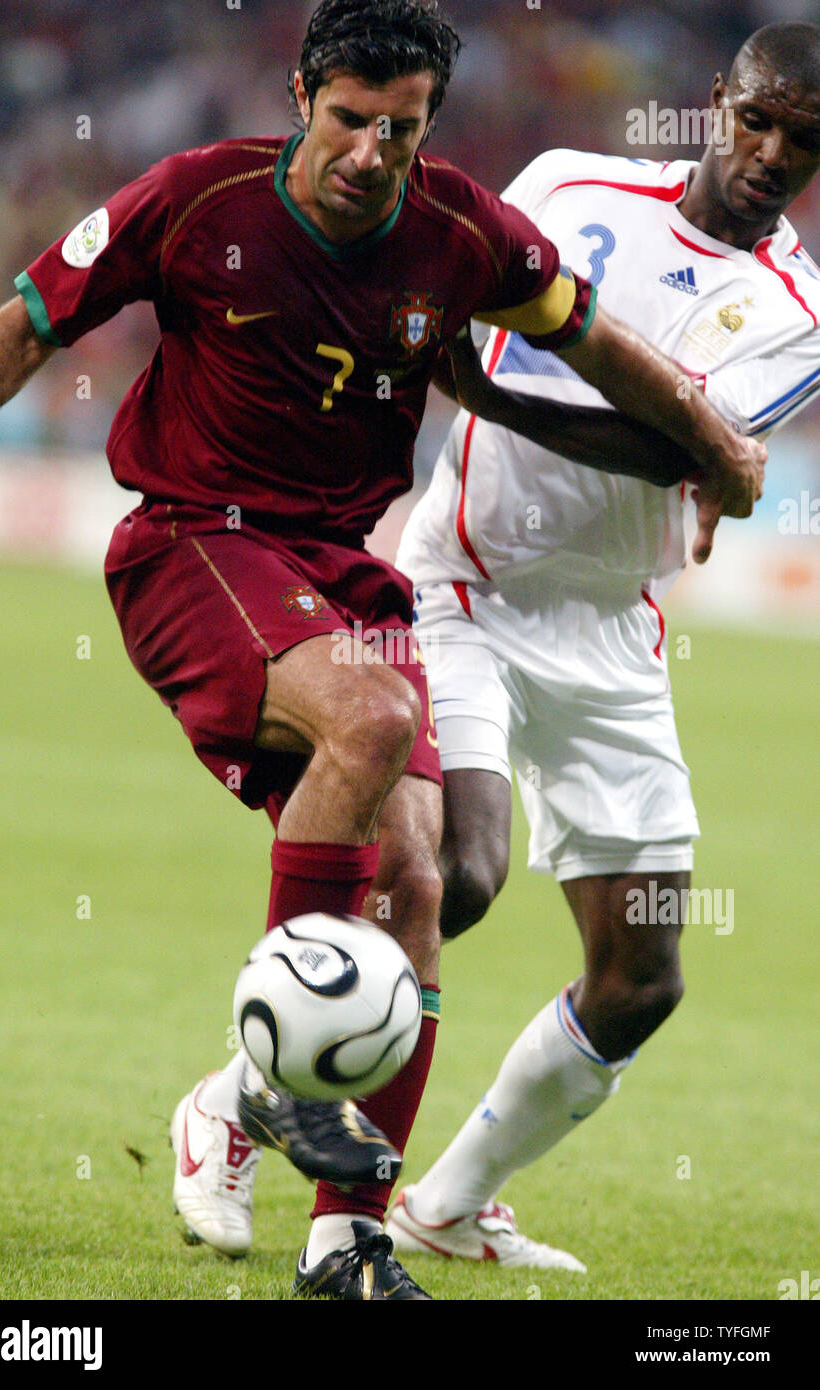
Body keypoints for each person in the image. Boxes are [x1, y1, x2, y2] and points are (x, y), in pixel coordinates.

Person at [0, 0, 764, 1300]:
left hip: (346, 566)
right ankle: (267, 1078)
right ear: (301, 95)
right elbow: (20, 333)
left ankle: (348, 1237)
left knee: (420, 894)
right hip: (194, 539)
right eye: (349, 120)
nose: (372, 152)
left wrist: (717, 445)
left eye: (401, 127)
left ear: (428, 124)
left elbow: (597, 343)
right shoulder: (191, 199)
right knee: (377, 719)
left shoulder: (462, 232)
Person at [383, 20, 820, 1273]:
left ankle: (447, 1203)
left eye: (802, 139)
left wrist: (494, 393)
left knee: (639, 976)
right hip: (462, 579)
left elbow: (677, 453)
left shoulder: (793, 311)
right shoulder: (568, 184)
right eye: (755, 118)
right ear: (715, 102)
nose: (769, 151)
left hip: (611, 630)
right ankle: (243, 1100)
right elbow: (442, 305)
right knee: (457, 877)